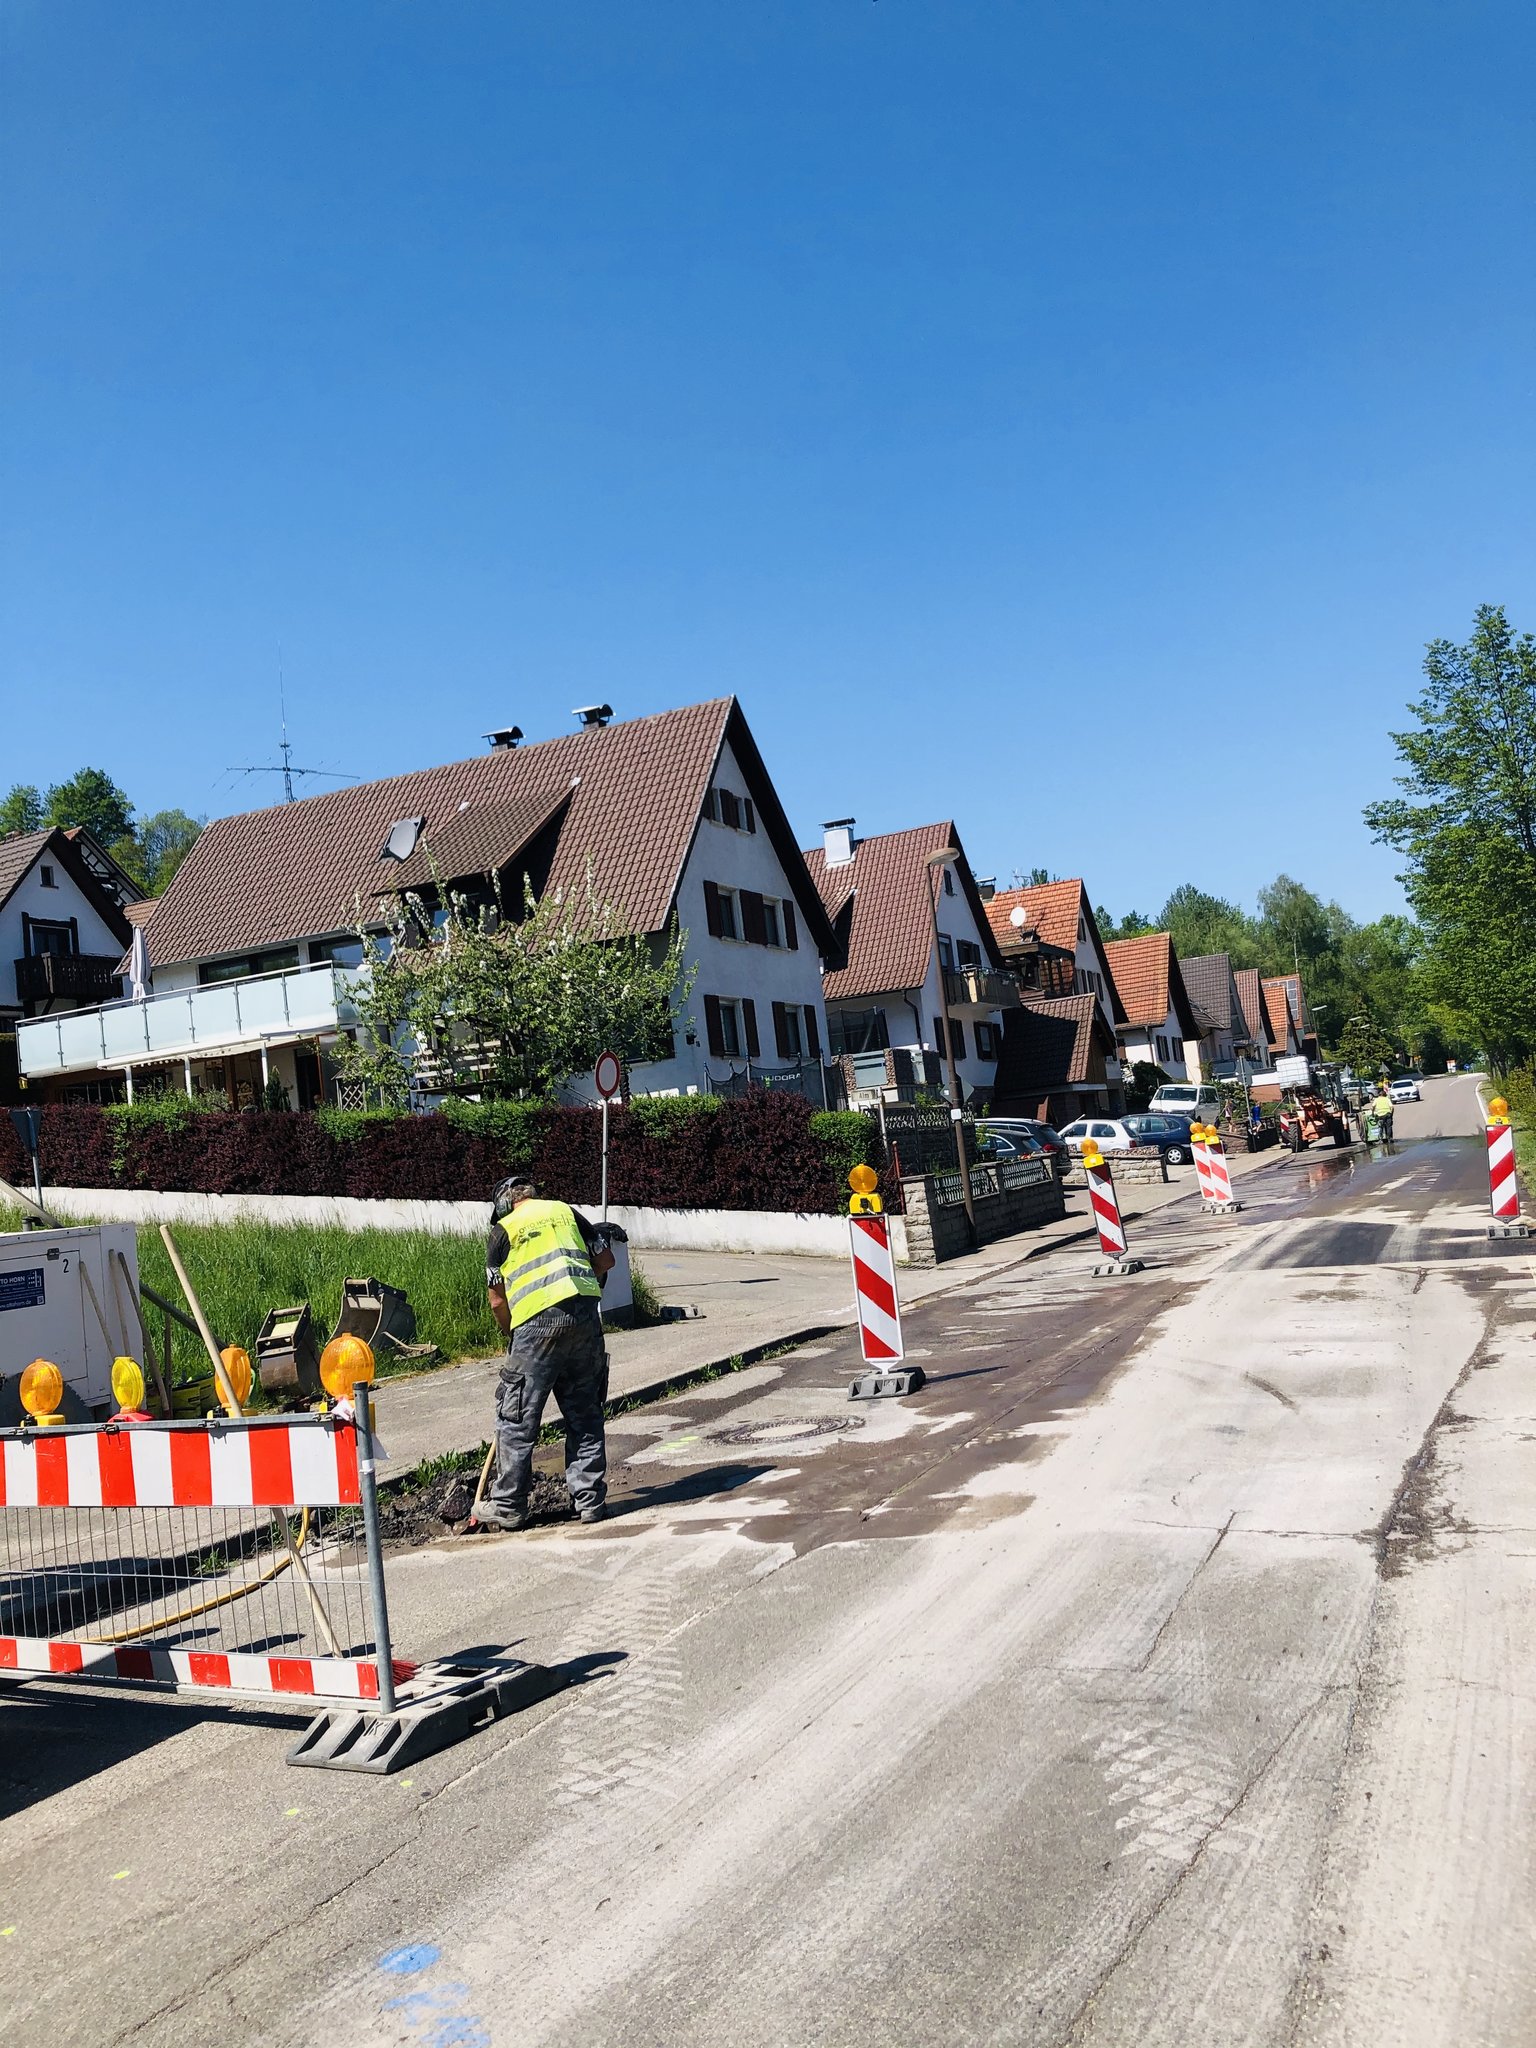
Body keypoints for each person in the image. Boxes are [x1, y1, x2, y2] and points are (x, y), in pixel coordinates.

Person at [477, 1175, 621, 1532]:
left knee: (516, 1418)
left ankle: (509, 1504)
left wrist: (513, 1333)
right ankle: (589, 1501)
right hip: (585, 1319)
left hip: (534, 1327)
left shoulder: (503, 1231)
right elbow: (606, 1260)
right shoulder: (566, 1212)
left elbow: (497, 1299)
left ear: (503, 1205)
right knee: (585, 1413)